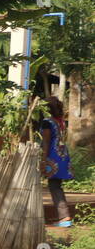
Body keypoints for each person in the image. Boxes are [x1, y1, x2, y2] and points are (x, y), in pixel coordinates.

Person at [40, 96, 72, 228]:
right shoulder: (60, 121)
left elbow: (46, 141)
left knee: (54, 186)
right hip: (62, 155)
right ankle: (65, 217)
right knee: (56, 185)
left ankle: (64, 218)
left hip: (52, 157)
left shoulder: (47, 122)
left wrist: (43, 159)